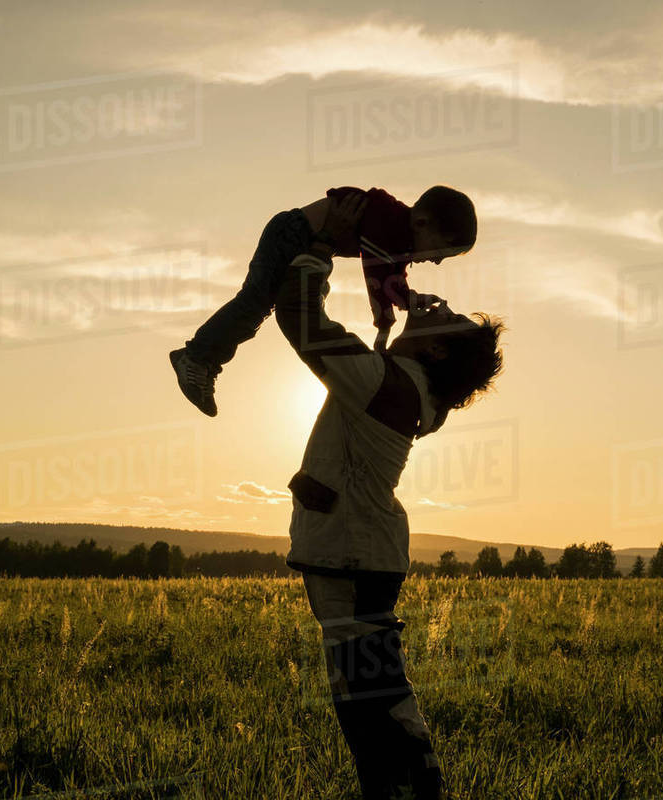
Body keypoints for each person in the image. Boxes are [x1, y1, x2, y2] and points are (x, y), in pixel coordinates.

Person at [274, 192, 504, 800]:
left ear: (436, 348)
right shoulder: (403, 385)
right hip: (358, 552)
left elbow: (301, 321)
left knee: (370, 703)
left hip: (351, 554)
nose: (439, 301)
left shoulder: (390, 387)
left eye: (445, 316)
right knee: (374, 697)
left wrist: (320, 246)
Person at [170, 185, 477, 416]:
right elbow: (377, 277)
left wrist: (407, 299)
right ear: (422, 223)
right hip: (293, 234)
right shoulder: (390, 229)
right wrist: (384, 329)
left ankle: (203, 358)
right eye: (440, 252)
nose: (436, 262)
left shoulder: (398, 239)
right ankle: (196, 357)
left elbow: (391, 279)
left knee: (258, 310)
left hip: (303, 240)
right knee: (254, 304)